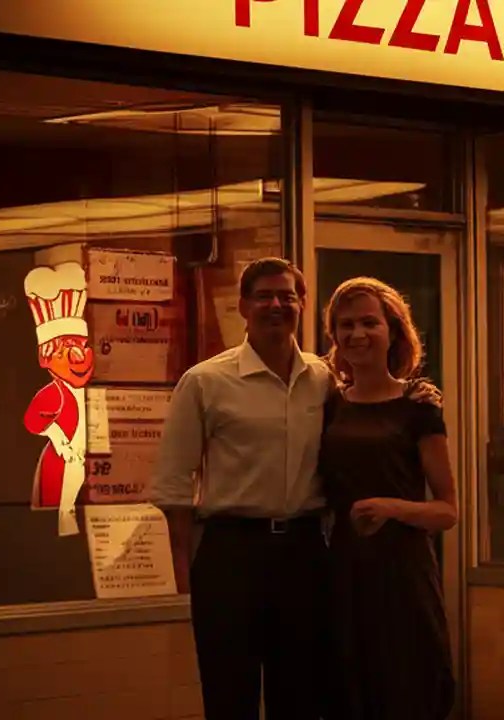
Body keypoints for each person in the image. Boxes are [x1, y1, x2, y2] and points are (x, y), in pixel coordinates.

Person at [151, 257, 332, 720]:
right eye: (264, 296)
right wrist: (186, 576)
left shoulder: (325, 380)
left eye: (287, 296)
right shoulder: (205, 381)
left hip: (304, 554)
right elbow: (174, 485)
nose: (276, 305)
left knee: (302, 694)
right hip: (230, 554)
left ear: (302, 303)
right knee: (230, 693)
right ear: (243, 306)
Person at [319, 276, 459, 720]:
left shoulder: (418, 406)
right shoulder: (329, 404)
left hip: (403, 573)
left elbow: (448, 510)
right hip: (343, 571)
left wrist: (391, 508)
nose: (357, 334)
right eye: (345, 325)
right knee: (348, 693)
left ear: (394, 331)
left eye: (369, 322)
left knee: (406, 689)